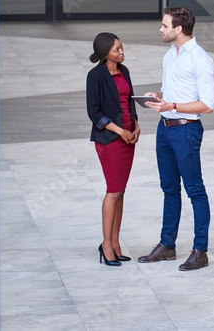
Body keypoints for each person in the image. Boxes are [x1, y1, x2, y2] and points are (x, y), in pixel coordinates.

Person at [138, 6, 214, 270]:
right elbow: (173, 93)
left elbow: (207, 105)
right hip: (165, 129)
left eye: (164, 25)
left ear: (178, 29)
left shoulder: (200, 59)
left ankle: (200, 251)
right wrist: (159, 98)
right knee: (169, 188)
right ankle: (167, 246)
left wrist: (173, 105)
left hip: (186, 130)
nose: (161, 29)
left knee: (195, 190)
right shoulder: (170, 56)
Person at [85, 32, 140, 267]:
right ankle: (106, 245)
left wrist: (136, 125)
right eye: (117, 49)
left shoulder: (124, 71)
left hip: (129, 138)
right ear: (105, 52)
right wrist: (121, 131)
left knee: (121, 191)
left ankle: (116, 243)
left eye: (122, 47)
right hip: (110, 140)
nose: (121, 51)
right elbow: (94, 113)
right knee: (113, 191)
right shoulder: (95, 76)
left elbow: (129, 100)